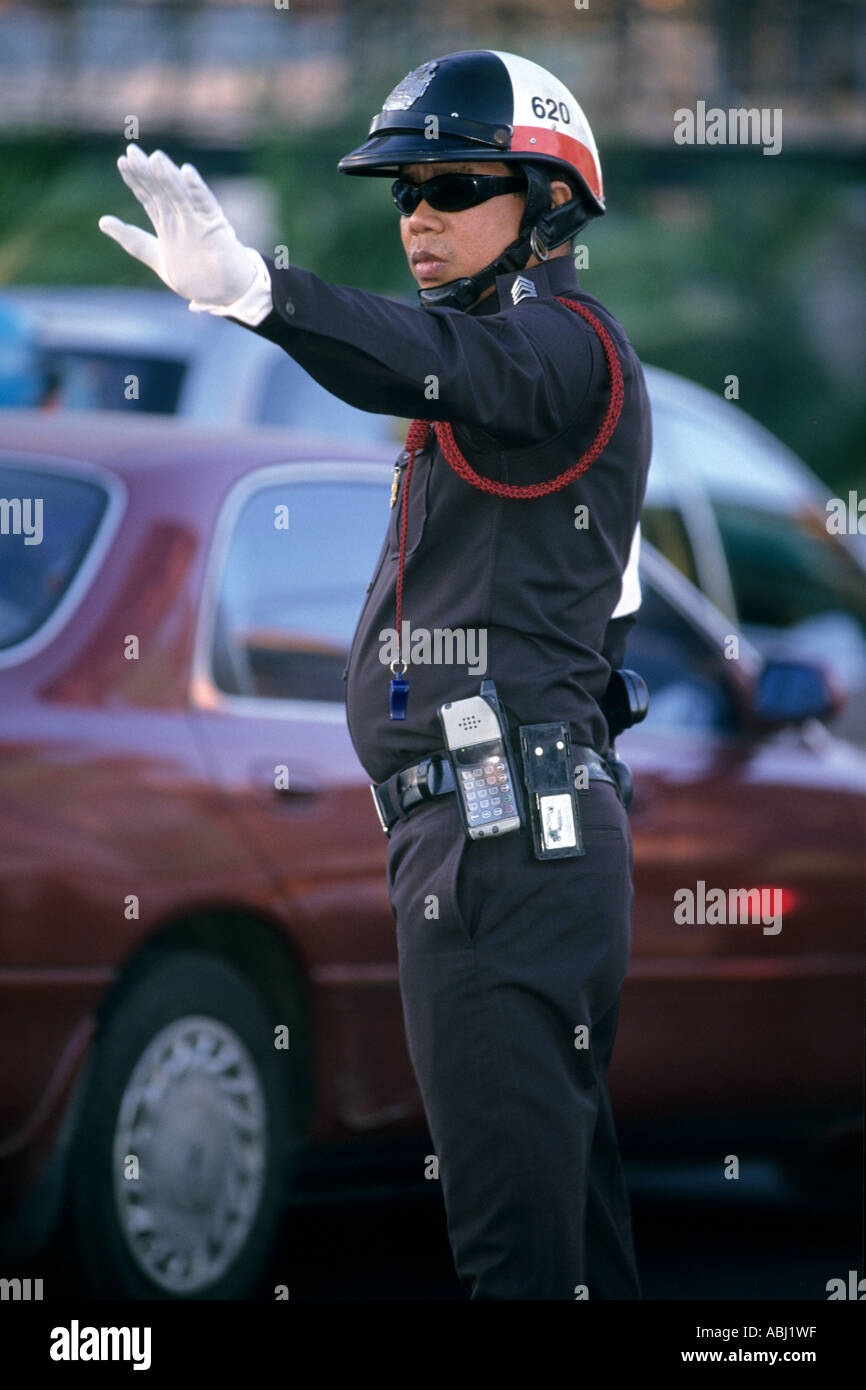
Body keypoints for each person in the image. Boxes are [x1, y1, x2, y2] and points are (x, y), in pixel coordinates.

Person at [99, 48, 651, 1301]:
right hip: (509, 837)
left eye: (454, 184)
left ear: (544, 203)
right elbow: (599, 616)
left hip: (500, 845)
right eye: (403, 191)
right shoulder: (512, 393)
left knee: (513, 1257)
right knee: (567, 1249)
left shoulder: (562, 353)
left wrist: (255, 292)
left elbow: (430, 359)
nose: (419, 216)